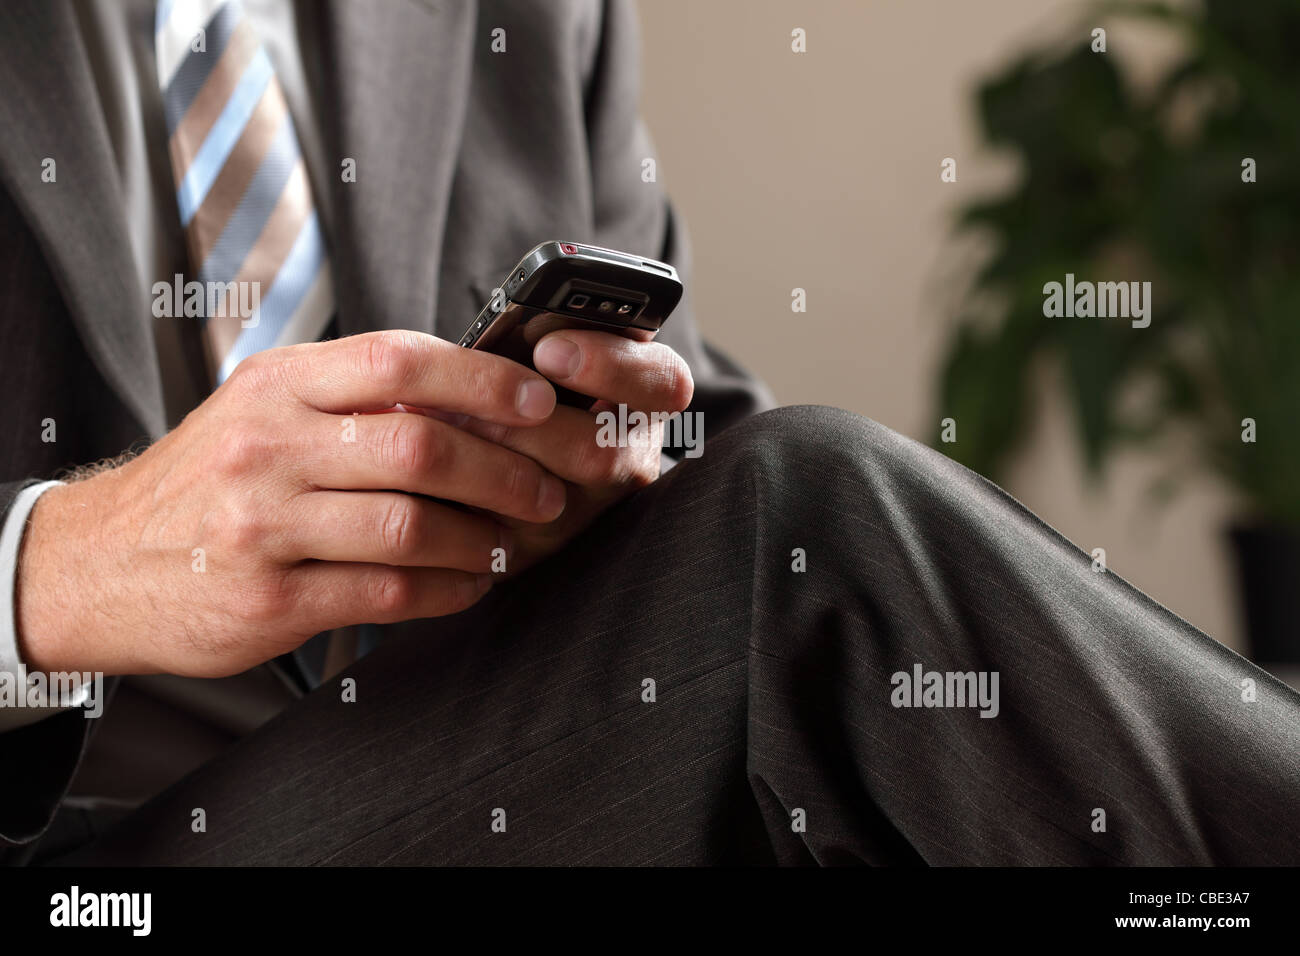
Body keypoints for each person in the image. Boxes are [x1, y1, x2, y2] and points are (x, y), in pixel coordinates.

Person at [1, 0, 1296, 866]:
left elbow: (689, 427)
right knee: (801, 530)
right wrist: (56, 571)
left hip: (495, 766)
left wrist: (605, 471)